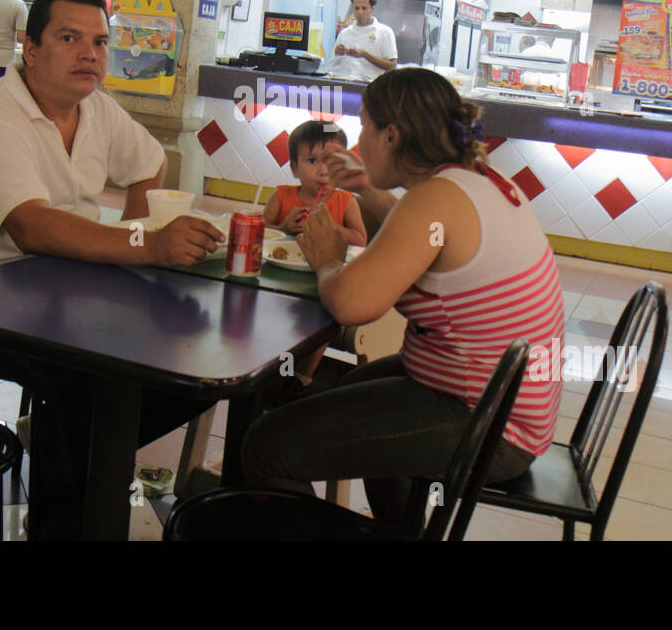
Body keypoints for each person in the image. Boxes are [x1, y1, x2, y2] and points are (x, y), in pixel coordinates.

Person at [240, 68, 566, 526]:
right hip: (505, 404)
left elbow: (352, 303)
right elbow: (419, 233)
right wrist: (368, 189)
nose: (358, 140)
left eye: (364, 126)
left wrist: (329, 260)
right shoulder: (475, 181)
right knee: (353, 392)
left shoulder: (434, 199)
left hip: (490, 427)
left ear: (391, 136)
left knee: (266, 449)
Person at [0, 0, 224, 457]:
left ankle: (61, 442)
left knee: (193, 362)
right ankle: (69, 470)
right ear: (30, 48)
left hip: (72, 289)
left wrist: (134, 239)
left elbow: (150, 163)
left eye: (100, 42)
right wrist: (144, 245)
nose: (89, 54)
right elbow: (31, 227)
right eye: (69, 39)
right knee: (107, 377)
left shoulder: (96, 108)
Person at [261, 119, 366, 399]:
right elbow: (261, 230)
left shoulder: (346, 202)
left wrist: (334, 229)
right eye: (311, 160)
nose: (322, 170)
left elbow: (360, 238)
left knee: (321, 324)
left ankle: (301, 378)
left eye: (330, 161)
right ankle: (270, 368)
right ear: (294, 168)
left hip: (323, 281)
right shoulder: (282, 196)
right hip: (280, 279)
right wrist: (283, 227)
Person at [329, 0, 398, 81]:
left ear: (372, 8)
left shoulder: (384, 32)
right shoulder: (345, 33)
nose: (360, 12)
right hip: (345, 85)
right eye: (356, 8)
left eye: (364, 8)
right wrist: (338, 54)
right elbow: (334, 65)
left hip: (372, 86)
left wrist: (364, 55)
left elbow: (392, 66)